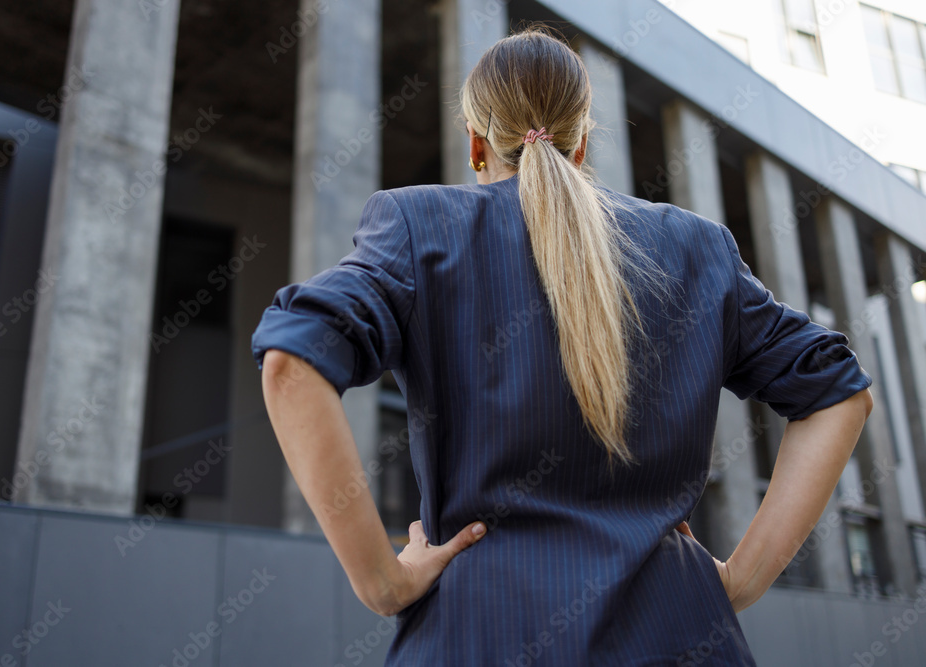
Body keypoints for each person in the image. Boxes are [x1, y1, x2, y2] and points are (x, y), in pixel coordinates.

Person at [251, 26, 873, 666]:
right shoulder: (696, 248)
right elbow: (837, 393)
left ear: (474, 141)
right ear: (582, 144)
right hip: (680, 633)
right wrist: (743, 578)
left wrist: (384, 581)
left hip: (479, 633)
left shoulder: (417, 227)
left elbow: (293, 365)